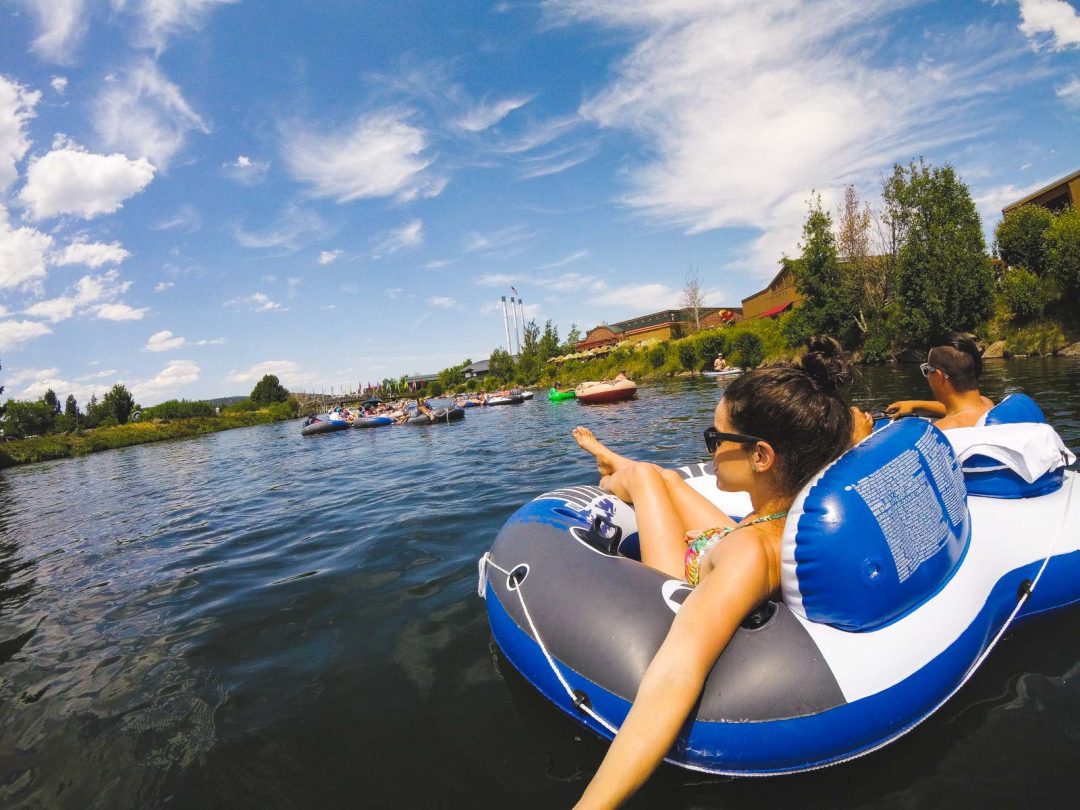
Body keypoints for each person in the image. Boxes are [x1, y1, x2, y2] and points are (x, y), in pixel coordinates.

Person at [570, 336, 857, 808]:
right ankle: (613, 464)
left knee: (645, 479)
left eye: (715, 439)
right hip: (738, 534)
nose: (708, 448)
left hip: (683, 576)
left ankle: (610, 470)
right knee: (659, 476)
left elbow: (676, 674)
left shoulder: (748, 556)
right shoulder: (802, 508)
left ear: (762, 456)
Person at [885, 333, 993, 430]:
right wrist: (914, 404)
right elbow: (957, 407)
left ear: (937, 376)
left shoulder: (941, 430)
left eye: (926, 369)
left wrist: (867, 435)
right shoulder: (988, 405)